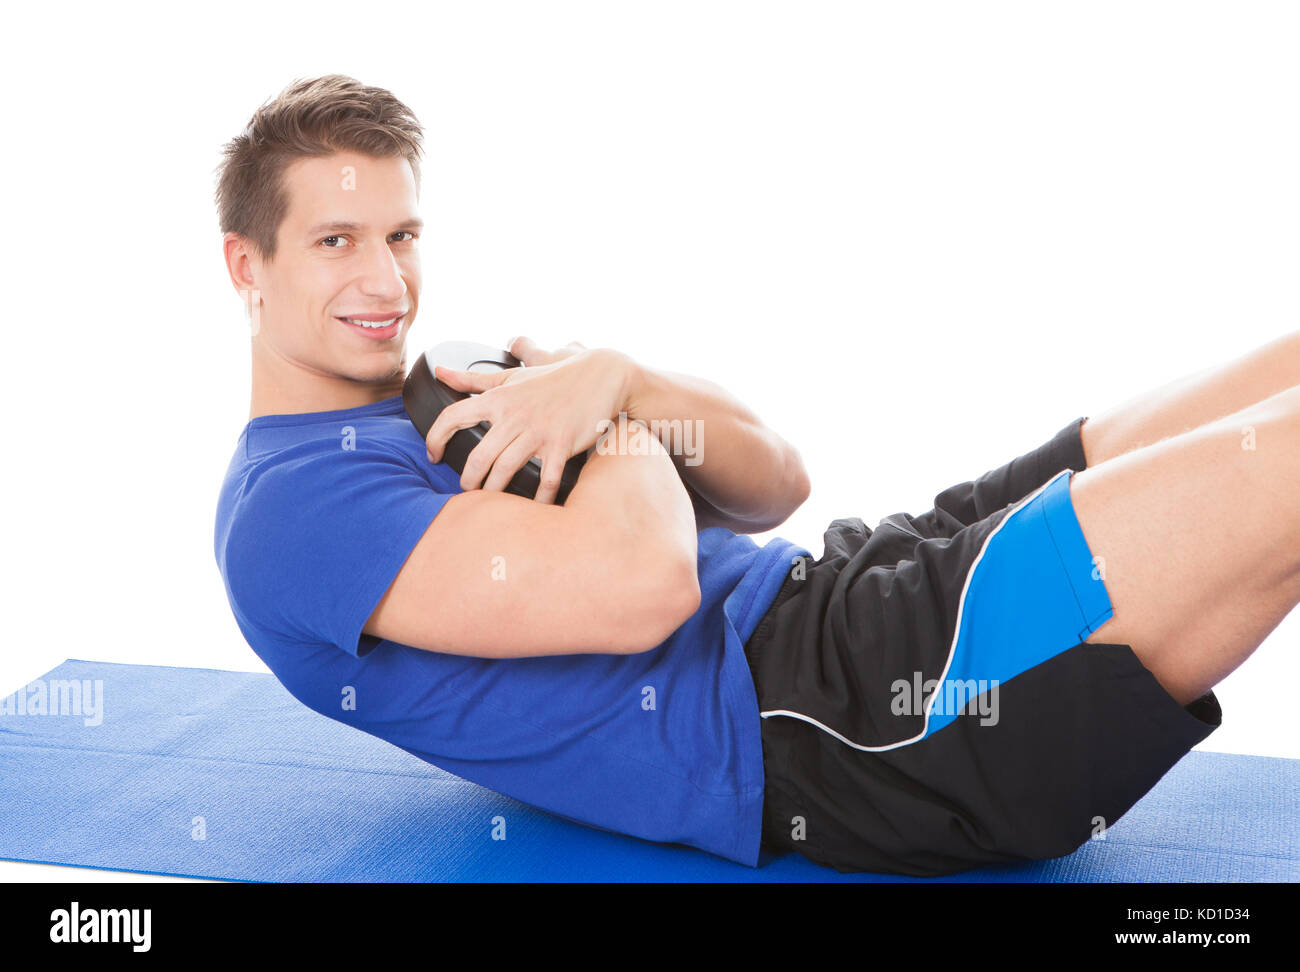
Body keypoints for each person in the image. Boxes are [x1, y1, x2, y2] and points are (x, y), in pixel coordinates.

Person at [216, 75, 1290, 877]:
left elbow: (774, 480)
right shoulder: (294, 518)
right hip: (849, 719)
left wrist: (618, 376)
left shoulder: (448, 389)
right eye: (335, 241)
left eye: (401, 233)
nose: (384, 277)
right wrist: (604, 420)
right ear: (245, 265)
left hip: (853, 579)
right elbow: (647, 591)